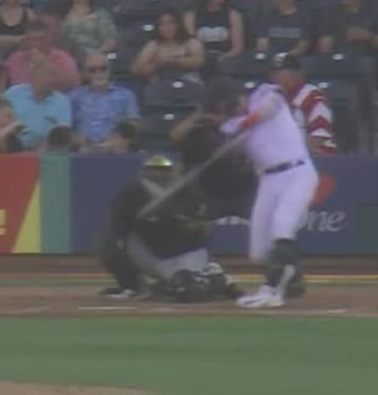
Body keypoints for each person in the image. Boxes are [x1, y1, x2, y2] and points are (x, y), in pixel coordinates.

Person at [221, 71, 319, 309]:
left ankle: (273, 290)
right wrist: (231, 144)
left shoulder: (264, 93)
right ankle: (290, 276)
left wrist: (242, 127)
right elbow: (233, 149)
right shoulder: (231, 124)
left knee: (282, 227)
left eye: (235, 102)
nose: (236, 108)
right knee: (258, 252)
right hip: (268, 180)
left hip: (297, 172)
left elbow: (269, 109)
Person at [99, 155, 237, 302]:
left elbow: (204, 226)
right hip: (151, 253)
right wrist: (120, 242)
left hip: (185, 252)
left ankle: (214, 279)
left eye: (163, 170)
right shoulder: (132, 194)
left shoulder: (187, 193)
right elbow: (118, 224)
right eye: (153, 169)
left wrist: (182, 220)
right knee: (108, 242)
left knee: (187, 285)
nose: (158, 174)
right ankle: (132, 286)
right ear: (144, 171)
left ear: (172, 171)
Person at [69, 50, 139, 148]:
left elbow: (134, 124)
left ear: (109, 70)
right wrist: (79, 140)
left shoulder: (126, 95)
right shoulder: (74, 96)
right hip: (83, 150)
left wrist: (120, 139)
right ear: (85, 73)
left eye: (103, 68)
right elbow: (65, 127)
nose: (99, 72)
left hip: (116, 151)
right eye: (93, 70)